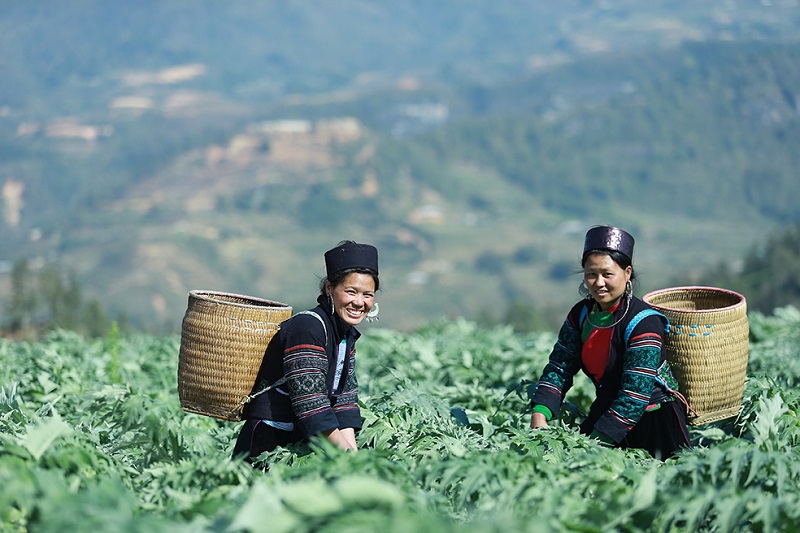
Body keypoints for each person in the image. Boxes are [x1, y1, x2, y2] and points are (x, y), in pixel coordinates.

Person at [529, 225, 690, 460]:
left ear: (627, 273)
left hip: (653, 422)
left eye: (607, 274)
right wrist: (540, 413)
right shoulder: (581, 315)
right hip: (607, 409)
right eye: (591, 274)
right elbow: (560, 366)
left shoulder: (644, 322)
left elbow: (635, 394)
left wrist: (594, 445)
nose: (598, 282)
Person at [233, 240, 379, 463]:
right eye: (351, 291)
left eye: (368, 294)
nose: (359, 302)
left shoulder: (345, 333)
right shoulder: (307, 328)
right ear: (330, 288)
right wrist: (349, 458)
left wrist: (353, 455)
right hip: (269, 446)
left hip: (303, 444)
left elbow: (345, 399)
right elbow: (311, 403)